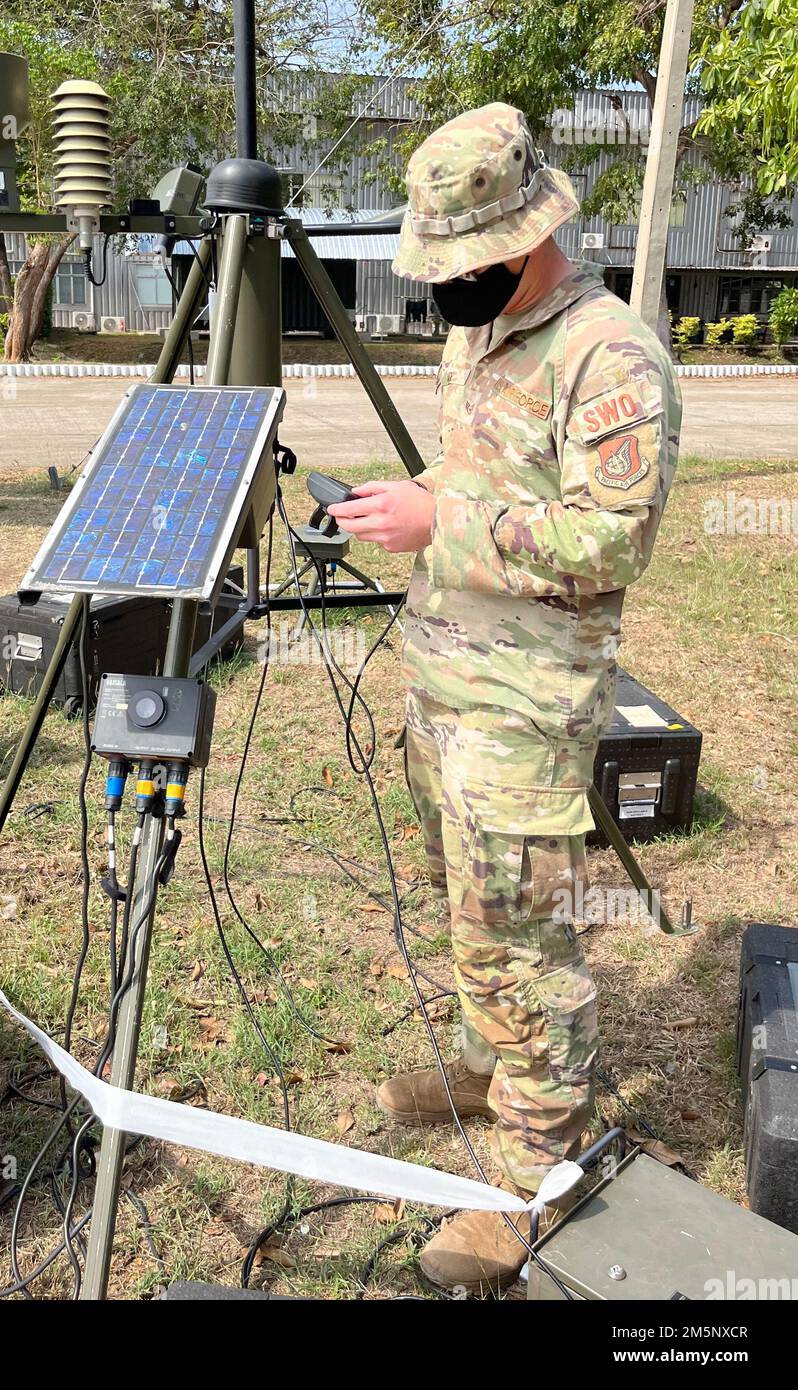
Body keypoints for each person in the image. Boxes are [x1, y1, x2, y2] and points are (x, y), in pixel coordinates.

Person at [328, 103, 681, 1295]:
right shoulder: (476, 339)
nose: (446, 292)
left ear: (527, 238)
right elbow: (473, 472)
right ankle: (492, 1063)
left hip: (525, 706)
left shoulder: (609, 350)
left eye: (463, 267)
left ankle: (540, 1170)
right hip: (444, 681)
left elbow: (610, 540)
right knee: (470, 916)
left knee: (521, 944)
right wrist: (410, 496)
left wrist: (447, 522)